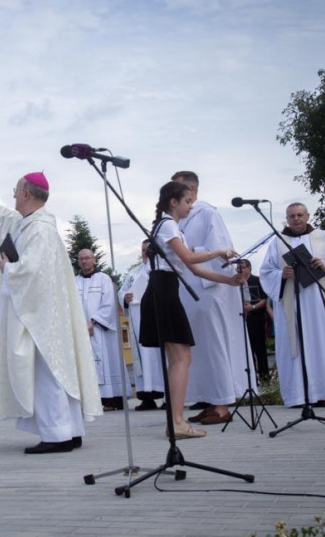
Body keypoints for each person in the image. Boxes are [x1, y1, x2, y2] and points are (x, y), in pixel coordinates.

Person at [0, 171, 102, 454]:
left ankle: (57, 436)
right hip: (44, 314)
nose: (13, 195)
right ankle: (70, 430)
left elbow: (32, 271)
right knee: (57, 372)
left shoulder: (40, 230)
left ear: (27, 194)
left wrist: (7, 268)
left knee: (47, 372)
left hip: (40, 318)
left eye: (15, 190)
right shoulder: (28, 225)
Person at [139, 181, 241, 439]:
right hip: (163, 291)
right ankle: (176, 422)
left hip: (166, 290)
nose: (190, 206)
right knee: (181, 358)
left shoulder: (169, 227)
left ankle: (175, 421)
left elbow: (194, 270)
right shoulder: (168, 225)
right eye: (187, 202)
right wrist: (219, 251)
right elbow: (190, 258)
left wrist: (229, 280)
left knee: (180, 359)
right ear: (173, 202)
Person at [171, 171, 252, 426]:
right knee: (199, 348)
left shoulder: (207, 213)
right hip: (188, 290)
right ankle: (210, 400)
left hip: (210, 289)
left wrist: (188, 251)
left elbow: (222, 249)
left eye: (179, 188)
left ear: (192, 190)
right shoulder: (179, 218)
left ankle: (222, 404)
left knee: (214, 345)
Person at [259, 203, 325, 407]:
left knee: (324, 344)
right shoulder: (278, 242)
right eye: (292, 216)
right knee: (298, 346)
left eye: (300, 215)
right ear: (287, 218)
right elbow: (266, 272)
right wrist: (281, 275)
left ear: (307, 216)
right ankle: (299, 396)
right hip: (292, 304)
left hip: (321, 303)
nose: (296, 219)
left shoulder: (323, 237)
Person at [76, 249, 131, 411]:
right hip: (82, 331)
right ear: (78, 262)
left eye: (87, 258)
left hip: (101, 330)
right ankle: (93, 400)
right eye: (81, 259)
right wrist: (81, 325)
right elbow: (71, 305)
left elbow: (109, 303)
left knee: (108, 363)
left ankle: (113, 399)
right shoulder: (74, 281)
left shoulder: (104, 279)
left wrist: (93, 322)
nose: (84, 261)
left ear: (94, 260)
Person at [119, 240, 165, 410]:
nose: (145, 253)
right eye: (143, 250)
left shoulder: (160, 270)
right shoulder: (133, 272)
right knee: (143, 358)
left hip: (157, 318)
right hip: (138, 321)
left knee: (162, 358)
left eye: (148, 250)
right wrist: (124, 297)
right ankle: (147, 398)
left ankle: (168, 397)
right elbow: (122, 290)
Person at [238, 260, 270, 384]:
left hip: (256, 318)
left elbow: (264, 299)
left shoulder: (257, 280)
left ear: (249, 268)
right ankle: (251, 381)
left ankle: (264, 378)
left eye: (242, 267)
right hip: (242, 319)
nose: (240, 270)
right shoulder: (235, 282)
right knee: (247, 350)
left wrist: (253, 307)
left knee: (260, 349)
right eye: (238, 268)